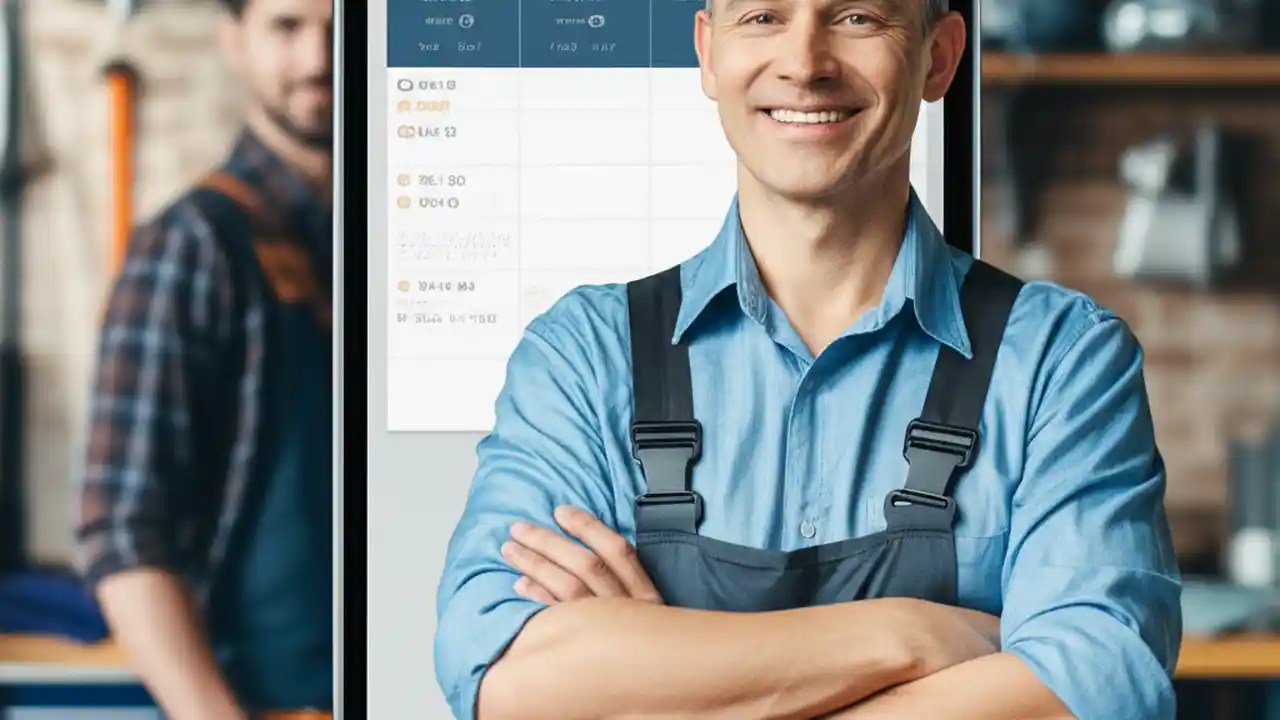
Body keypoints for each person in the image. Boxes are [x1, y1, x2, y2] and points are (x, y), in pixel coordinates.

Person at [435, 0, 1183, 719]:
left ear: (939, 57)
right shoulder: (586, 357)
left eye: (857, 17)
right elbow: (506, 673)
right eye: (762, 17)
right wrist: (910, 637)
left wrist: (655, 686)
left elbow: (1094, 690)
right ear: (708, 52)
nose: (804, 63)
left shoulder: (1061, 360)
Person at [72, 0, 334, 718]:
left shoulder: (387, 249)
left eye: (340, 29)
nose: (319, 59)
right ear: (233, 42)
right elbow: (121, 533)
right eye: (287, 27)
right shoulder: (190, 247)